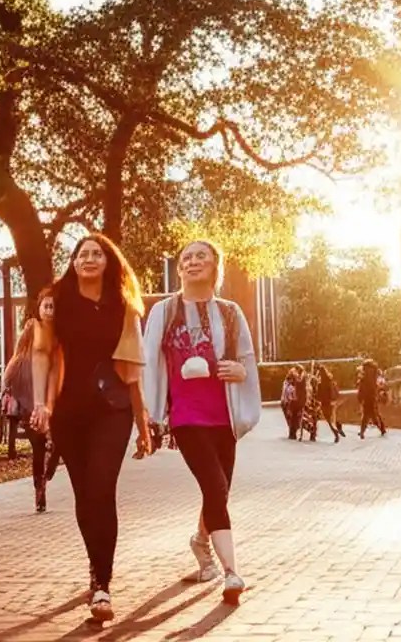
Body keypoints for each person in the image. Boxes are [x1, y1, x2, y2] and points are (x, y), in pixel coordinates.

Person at [30, 234, 153, 623]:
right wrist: (40, 404)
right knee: (85, 494)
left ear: (108, 260)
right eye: (82, 253)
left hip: (112, 409)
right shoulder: (58, 302)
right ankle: (94, 565)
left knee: (102, 487)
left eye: (96, 253)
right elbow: (42, 352)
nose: (88, 258)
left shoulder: (123, 306)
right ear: (73, 261)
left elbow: (132, 369)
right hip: (69, 412)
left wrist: (143, 419)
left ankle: (102, 584)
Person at [143, 240, 261, 605]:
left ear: (214, 267)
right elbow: (148, 360)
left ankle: (200, 542)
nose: (193, 262)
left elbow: (246, 358)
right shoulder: (165, 310)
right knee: (214, 486)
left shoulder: (229, 311)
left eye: (201, 257)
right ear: (179, 269)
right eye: (186, 258)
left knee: (220, 489)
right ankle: (232, 572)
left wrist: (240, 371)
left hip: (223, 416)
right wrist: (151, 414)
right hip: (187, 417)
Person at [4, 290, 58, 511]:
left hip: (52, 393)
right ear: (39, 308)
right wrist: (9, 382)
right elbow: (17, 355)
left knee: (59, 440)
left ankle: (51, 465)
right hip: (29, 393)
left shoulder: (60, 332)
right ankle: (40, 491)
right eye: (45, 306)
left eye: (52, 307)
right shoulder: (31, 328)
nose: (48, 310)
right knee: (37, 447)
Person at [313, 364, 345, 443]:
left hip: (325, 403)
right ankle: (338, 426)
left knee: (328, 420)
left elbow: (319, 395)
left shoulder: (320, 384)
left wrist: (315, 397)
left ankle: (336, 433)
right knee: (332, 417)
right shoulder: (330, 381)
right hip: (332, 402)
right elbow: (334, 391)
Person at [357, 359, 387, 437]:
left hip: (368, 398)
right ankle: (382, 429)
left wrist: (360, 397)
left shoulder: (365, 376)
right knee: (374, 414)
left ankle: (363, 432)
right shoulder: (374, 374)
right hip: (373, 397)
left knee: (369, 416)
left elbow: (362, 388)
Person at [281, 366, 305, 440]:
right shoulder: (289, 384)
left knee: (293, 418)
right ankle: (292, 432)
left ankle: (292, 432)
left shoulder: (288, 383)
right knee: (292, 418)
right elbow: (289, 395)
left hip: (289, 402)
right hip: (289, 403)